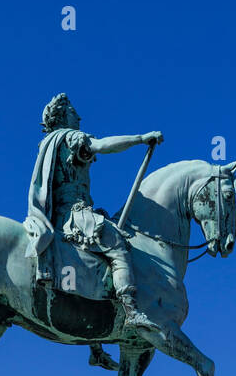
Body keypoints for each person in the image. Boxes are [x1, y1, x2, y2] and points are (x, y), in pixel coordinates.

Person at [25, 93, 162, 332]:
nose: (78, 116)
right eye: (73, 112)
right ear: (62, 117)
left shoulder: (48, 144)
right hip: (74, 213)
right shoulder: (70, 137)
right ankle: (132, 311)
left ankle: (96, 340)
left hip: (60, 213)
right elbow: (100, 145)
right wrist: (140, 139)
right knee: (118, 245)